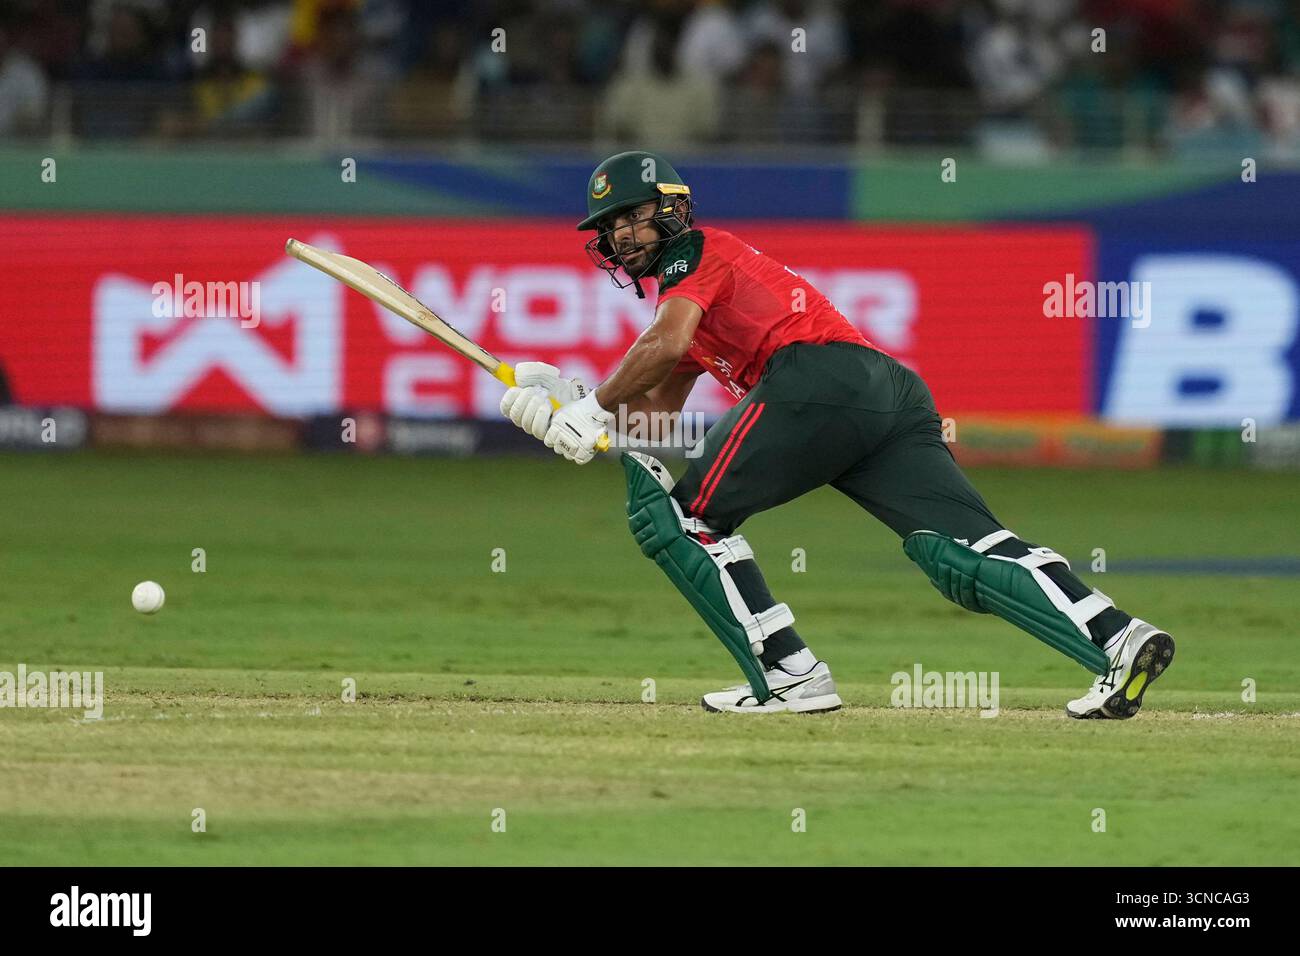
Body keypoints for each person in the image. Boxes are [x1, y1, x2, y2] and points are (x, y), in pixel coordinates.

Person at [499, 150, 1175, 717]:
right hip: (885, 393)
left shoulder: (698, 254)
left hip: (815, 381)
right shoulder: (690, 301)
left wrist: (593, 409)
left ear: (671, 208)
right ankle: (1118, 639)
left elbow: (665, 340)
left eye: (631, 216)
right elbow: (656, 416)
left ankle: (790, 675)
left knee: (684, 523)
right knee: (959, 552)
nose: (620, 235)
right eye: (610, 226)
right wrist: (577, 406)